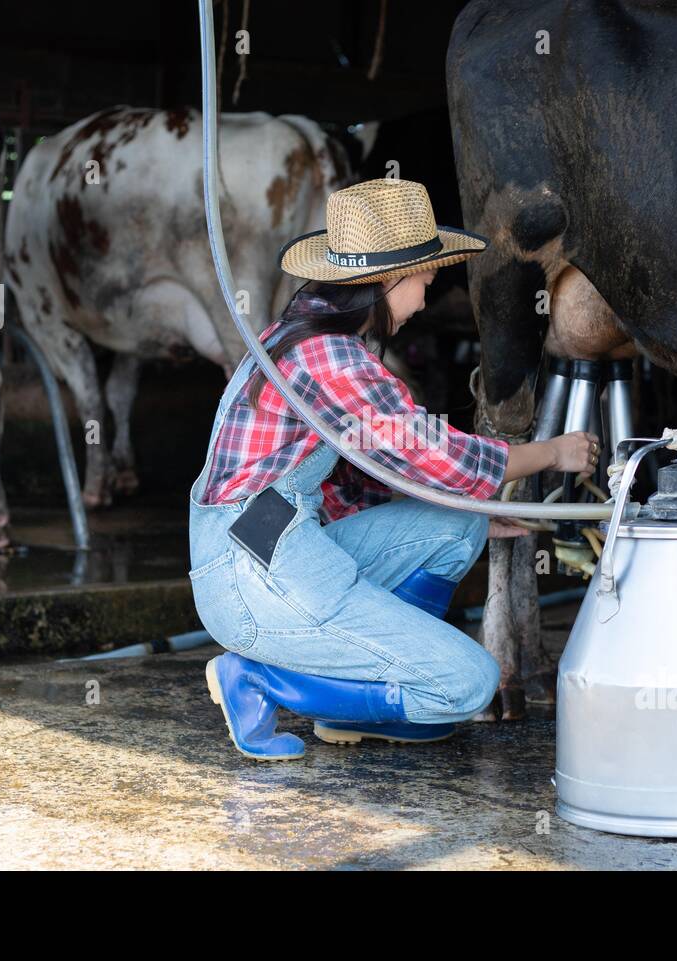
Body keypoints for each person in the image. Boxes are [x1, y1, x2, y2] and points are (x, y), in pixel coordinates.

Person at [188, 178, 598, 760]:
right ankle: (255, 679)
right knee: (469, 683)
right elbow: (440, 458)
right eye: (424, 283)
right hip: (252, 577)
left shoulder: (301, 338)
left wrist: (480, 512)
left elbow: (367, 472)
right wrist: (555, 451)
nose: (425, 301)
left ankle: (369, 701)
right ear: (386, 280)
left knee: (458, 526)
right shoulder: (331, 357)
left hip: (267, 548)